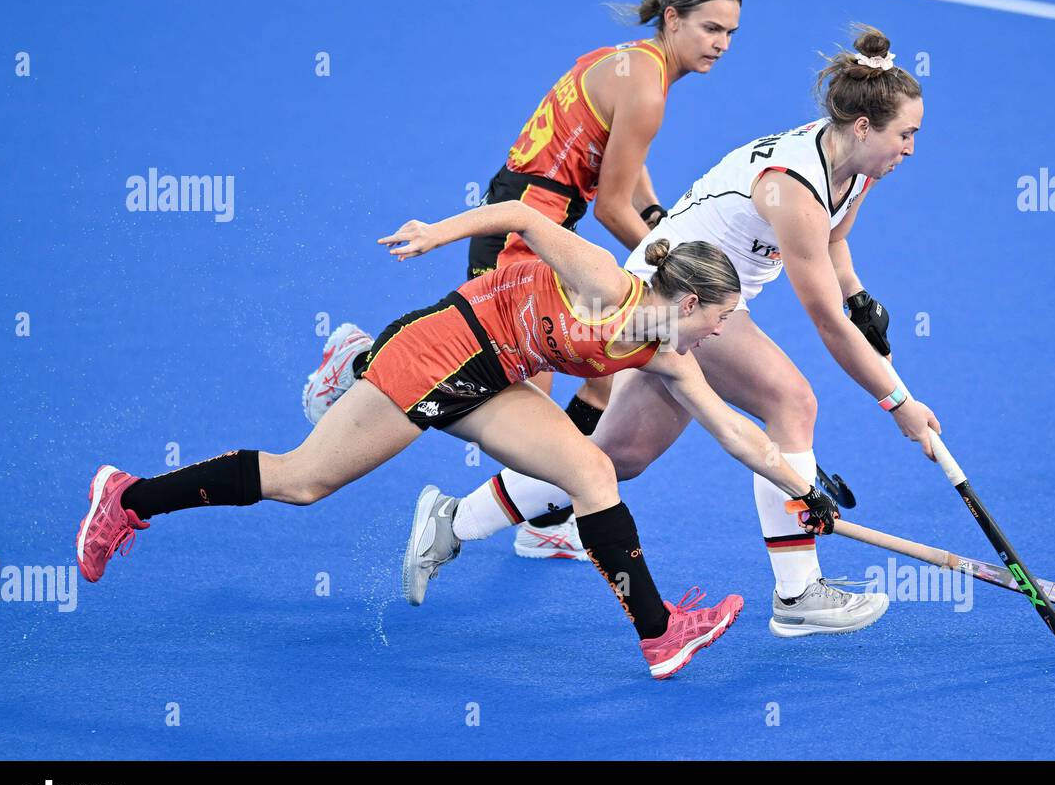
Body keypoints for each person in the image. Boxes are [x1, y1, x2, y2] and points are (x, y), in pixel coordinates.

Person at [76, 200, 842, 679]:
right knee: (304, 481)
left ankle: (659, 633)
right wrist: (437, 234)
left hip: (500, 377)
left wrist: (802, 488)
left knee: (592, 472)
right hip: (440, 352)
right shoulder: (610, 283)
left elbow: (735, 433)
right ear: (690, 299)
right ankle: (129, 497)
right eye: (723, 315)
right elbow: (523, 221)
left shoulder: (668, 353)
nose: (726, 329)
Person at [405, 25, 941, 639]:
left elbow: (836, 241)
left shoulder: (858, 170)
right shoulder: (793, 190)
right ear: (866, 128)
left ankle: (453, 520)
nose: (911, 149)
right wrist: (898, 402)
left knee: (618, 458)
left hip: (707, 301)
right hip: (677, 300)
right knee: (792, 401)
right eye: (907, 135)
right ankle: (799, 591)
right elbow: (825, 324)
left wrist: (858, 295)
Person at [303, 0, 742, 560]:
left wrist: (657, 211)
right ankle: (358, 364)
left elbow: (625, 158)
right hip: (527, 227)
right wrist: (664, 269)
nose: (720, 44)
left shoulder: (632, 61)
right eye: (710, 28)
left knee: (600, 377)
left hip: (531, 207)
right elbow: (613, 206)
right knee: (507, 388)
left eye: (730, 34)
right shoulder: (647, 88)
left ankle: (546, 516)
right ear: (672, 19)